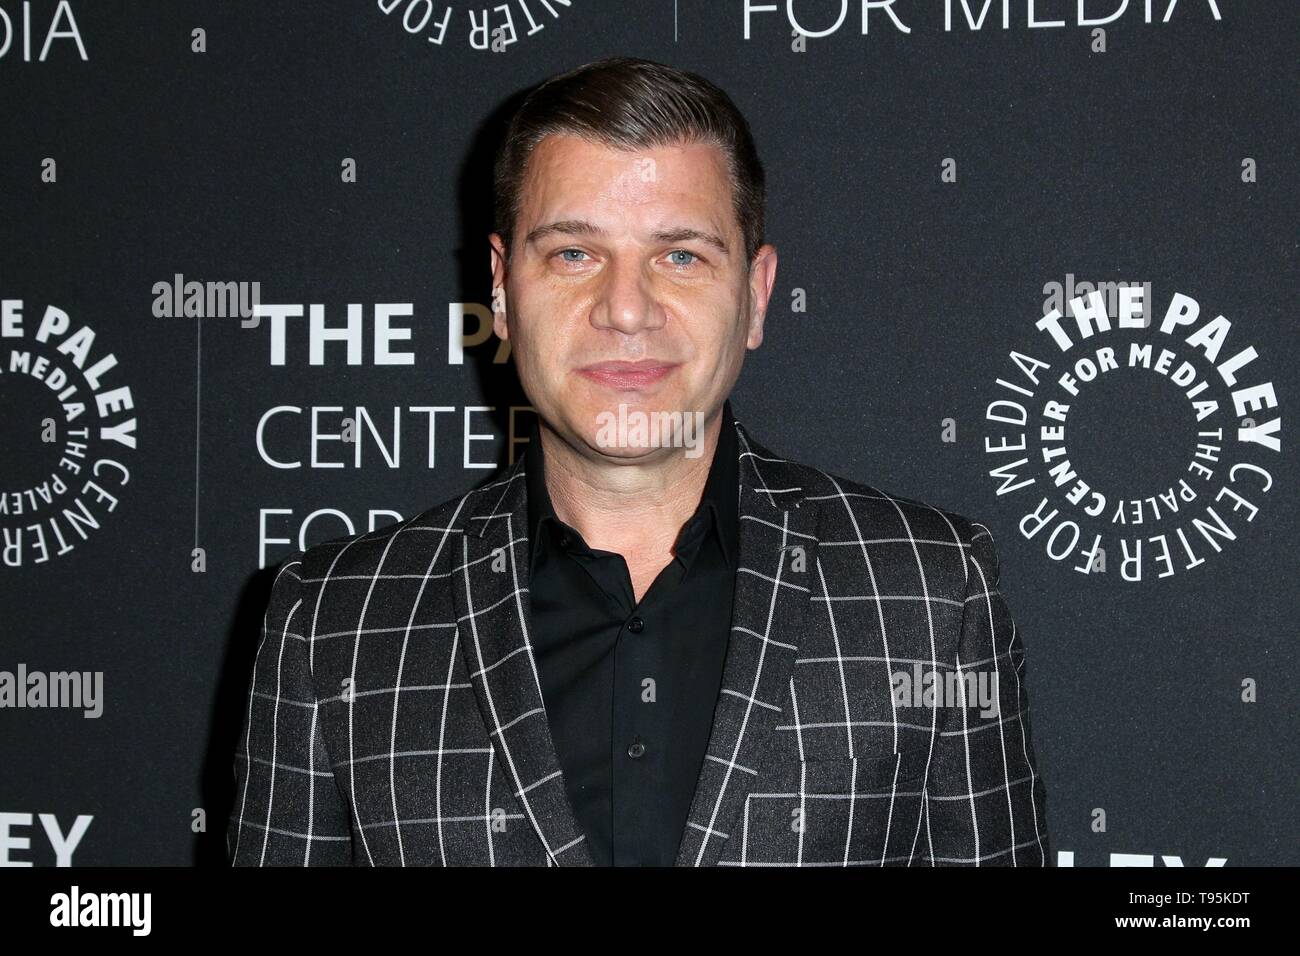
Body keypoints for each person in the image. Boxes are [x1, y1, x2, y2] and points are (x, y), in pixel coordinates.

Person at [228, 56, 1050, 867]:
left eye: (681, 255)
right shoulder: (335, 623)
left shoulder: (931, 595)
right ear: (502, 289)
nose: (626, 308)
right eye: (573, 254)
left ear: (757, 296)